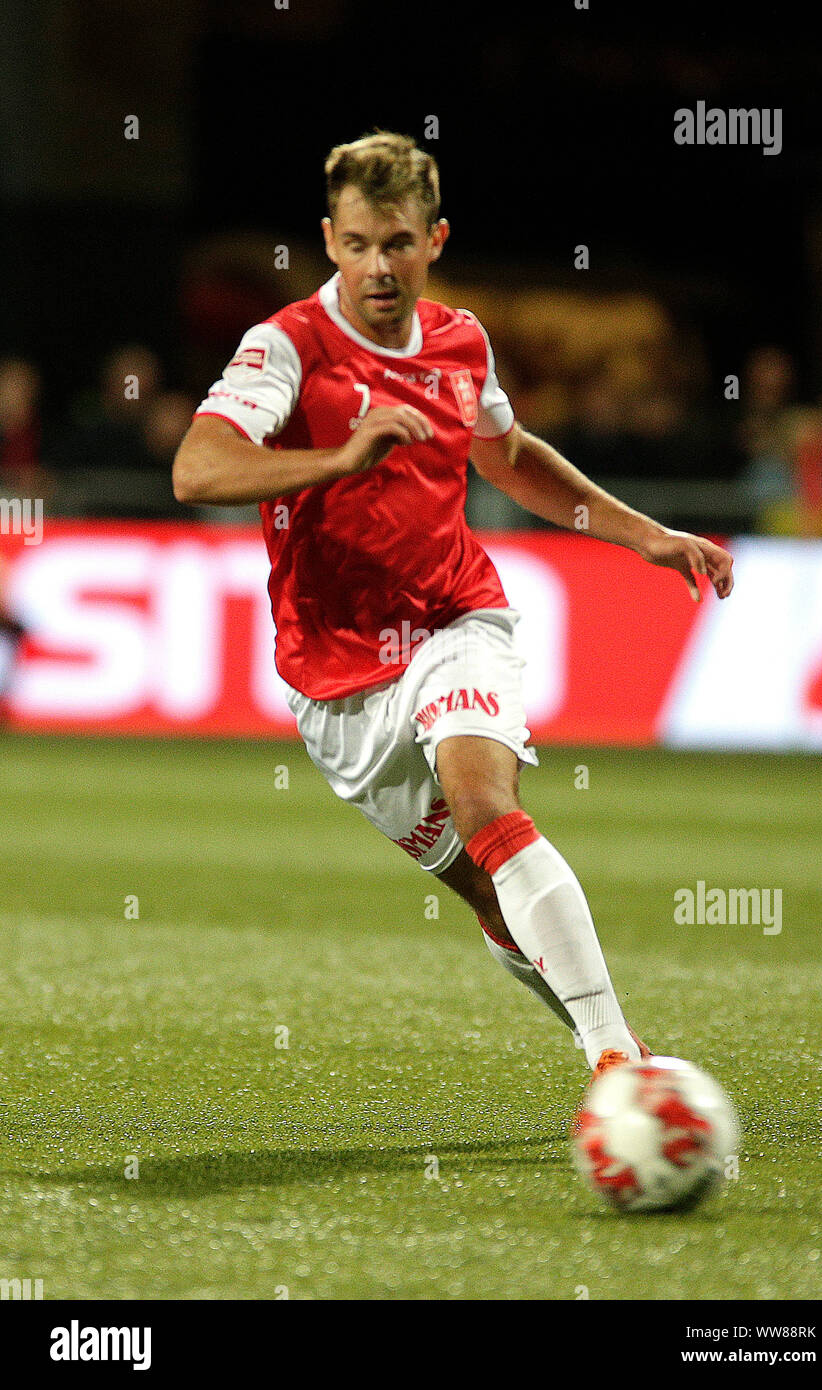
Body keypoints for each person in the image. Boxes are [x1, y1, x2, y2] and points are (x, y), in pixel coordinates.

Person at [173, 132, 734, 1092]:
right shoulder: (287, 346)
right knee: (482, 888)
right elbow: (198, 468)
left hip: (450, 618)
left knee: (484, 803)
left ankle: (616, 1059)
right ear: (328, 239)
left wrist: (643, 534)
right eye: (355, 245)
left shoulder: (460, 343)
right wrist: (336, 459)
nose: (376, 267)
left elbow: (508, 456)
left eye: (396, 243)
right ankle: (613, 1053)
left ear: (434, 238)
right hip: (332, 677)